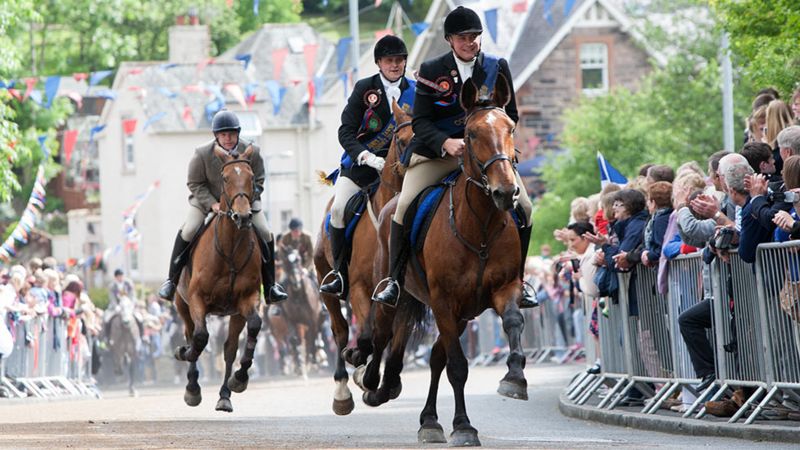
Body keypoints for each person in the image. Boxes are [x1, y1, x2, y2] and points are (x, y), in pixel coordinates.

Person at [372, 6, 536, 308]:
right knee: (403, 206)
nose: (470, 42)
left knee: (524, 206)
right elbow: (420, 121)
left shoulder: (496, 66)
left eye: (475, 36)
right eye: (463, 37)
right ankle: (394, 280)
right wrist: (445, 142)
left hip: (486, 158)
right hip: (441, 154)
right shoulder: (432, 70)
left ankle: (519, 281)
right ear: (450, 39)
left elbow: (510, 115)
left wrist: (497, 142)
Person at [319, 35, 416, 297]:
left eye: (399, 60)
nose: (395, 65)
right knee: (338, 209)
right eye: (389, 61)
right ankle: (339, 273)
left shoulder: (416, 91)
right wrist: (366, 156)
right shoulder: (365, 89)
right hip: (361, 168)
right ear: (379, 63)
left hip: (404, 168)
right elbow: (345, 132)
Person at [157, 110, 287, 304]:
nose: (228, 138)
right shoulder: (202, 153)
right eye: (223, 134)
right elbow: (194, 183)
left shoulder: (252, 151)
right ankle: (171, 281)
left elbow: (259, 179)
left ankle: (270, 287)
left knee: (265, 232)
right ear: (216, 135)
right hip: (207, 202)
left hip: (245, 203)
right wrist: (213, 203)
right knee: (189, 229)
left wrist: (245, 201)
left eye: (232, 134)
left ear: (238, 133)